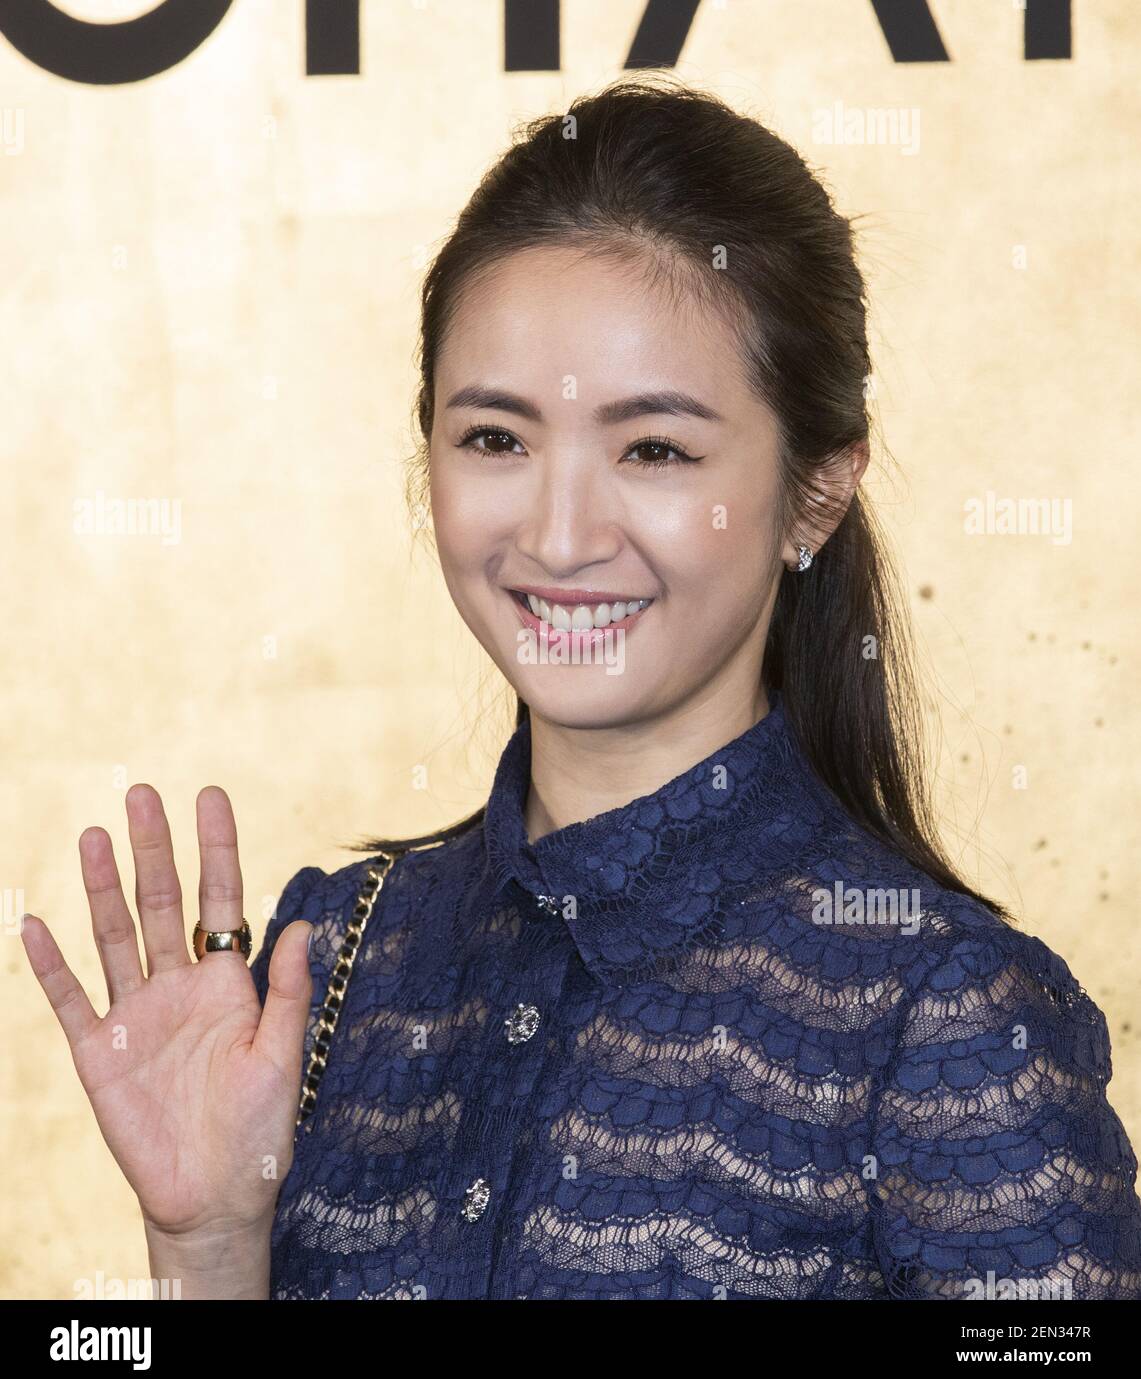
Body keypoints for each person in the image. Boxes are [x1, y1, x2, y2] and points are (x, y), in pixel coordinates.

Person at [22, 76, 1141, 1300]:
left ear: (814, 493)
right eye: (495, 438)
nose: (557, 537)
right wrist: (205, 1253)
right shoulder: (332, 957)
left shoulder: (949, 1018)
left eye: (653, 448)